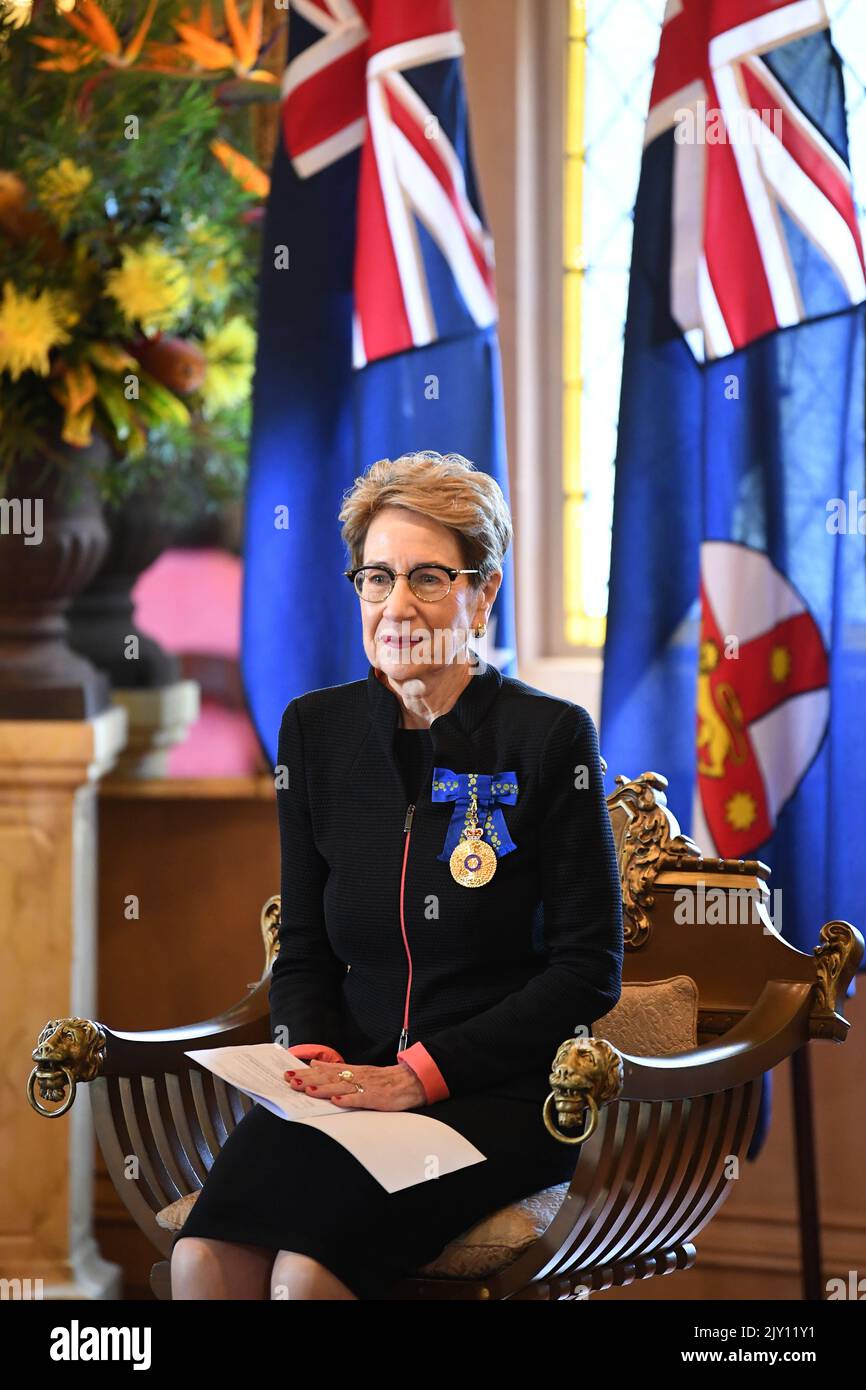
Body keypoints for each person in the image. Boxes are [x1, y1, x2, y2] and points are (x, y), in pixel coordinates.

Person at [170, 450, 623, 1299]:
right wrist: (312, 1060)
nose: (397, 606)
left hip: (497, 1095)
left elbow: (587, 969)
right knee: (202, 1261)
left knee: (305, 1278)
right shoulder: (316, 732)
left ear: (482, 593)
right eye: (376, 578)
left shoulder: (551, 738)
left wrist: (420, 1075)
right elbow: (302, 947)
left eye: (427, 577)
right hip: (344, 1084)